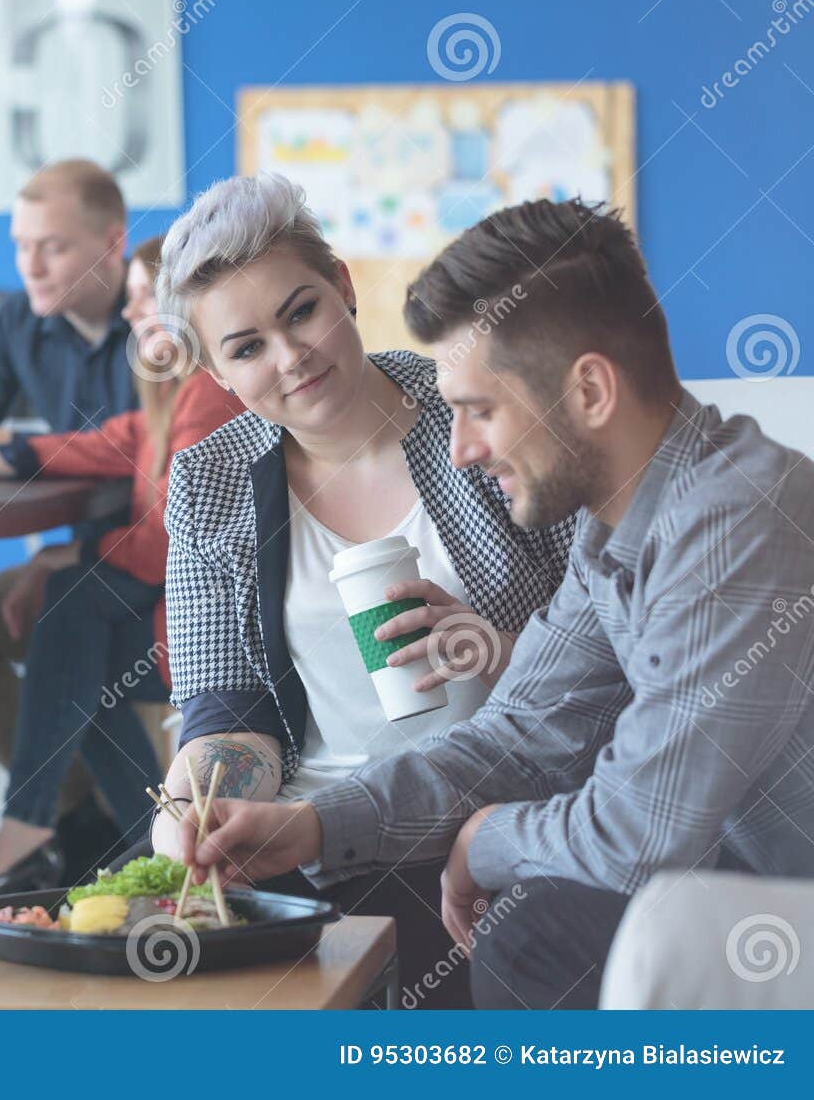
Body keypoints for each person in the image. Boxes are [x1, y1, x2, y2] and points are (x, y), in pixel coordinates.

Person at [179, 196, 814, 1009]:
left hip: (765, 890)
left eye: (479, 410)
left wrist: (484, 838)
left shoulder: (736, 522)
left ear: (588, 391)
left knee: (535, 928)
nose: (461, 447)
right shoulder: (615, 530)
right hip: (722, 874)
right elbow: (521, 732)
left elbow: (637, 832)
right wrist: (311, 826)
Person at [148, 174, 573, 1008]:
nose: (289, 356)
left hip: (502, 808)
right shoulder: (211, 480)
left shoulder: (484, 405)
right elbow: (229, 714)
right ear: (217, 373)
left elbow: (614, 651)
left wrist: (497, 646)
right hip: (317, 831)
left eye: (300, 311)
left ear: (343, 288)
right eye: (246, 347)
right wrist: (192, 810)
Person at [0, 237, 245, 896]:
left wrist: (68, 553)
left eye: (146, 298)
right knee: (76, 636)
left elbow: (168, 544)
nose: (132, 313)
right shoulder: (174, 399)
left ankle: (36, 828)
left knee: (72, 612)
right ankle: (128, 842)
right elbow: (101, 444)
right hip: (164, 616)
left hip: (211, 639)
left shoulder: (210, 398)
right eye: (132, 297)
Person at [0, 159, 143, 879]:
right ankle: (77, 816)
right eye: (20, 245)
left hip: (155, 558)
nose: (31, 265)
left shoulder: (157, 319)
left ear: (112, 244)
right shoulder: (18, 320)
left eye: (54, 246)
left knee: (64, 617)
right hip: (83, 556)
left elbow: (149, 457)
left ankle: (53, 827)